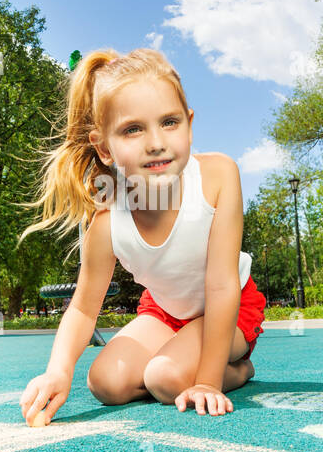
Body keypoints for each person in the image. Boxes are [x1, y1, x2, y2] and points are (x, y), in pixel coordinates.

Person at [18, 48, 265, 423]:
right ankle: (180, 358)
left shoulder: (218, 176)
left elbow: (220, 286)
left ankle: (238, 369)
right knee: (106, 384)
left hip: (230, 309)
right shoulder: (106, 223)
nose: (155, 142)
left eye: (169, 122)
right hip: (166, 312)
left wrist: (209, 383)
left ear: (189, 123)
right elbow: (84, 308)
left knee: (165, 379)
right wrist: (58, 371)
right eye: (133, 129)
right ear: (104, 147)